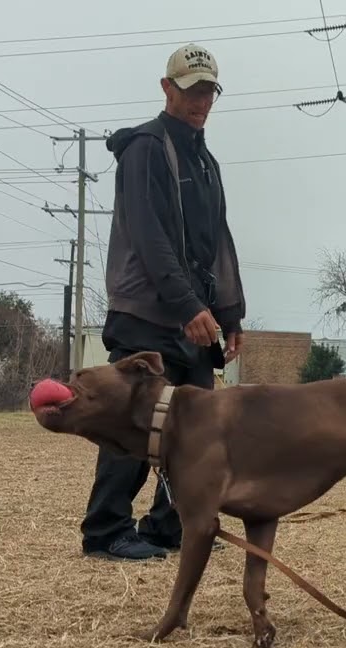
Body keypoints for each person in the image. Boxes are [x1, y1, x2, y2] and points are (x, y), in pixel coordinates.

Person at [80, 43, 246, 561]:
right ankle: (105, 531)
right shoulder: (146, 149)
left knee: (196, 423)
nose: (201, 100)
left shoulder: (206, 160)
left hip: (189, 314)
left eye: (208, 91)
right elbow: (151, 239)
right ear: (167, 88)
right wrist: (187, 308)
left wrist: (230, 313)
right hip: (146, 311)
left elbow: (217, 240)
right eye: (192, 89)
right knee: (136, 416)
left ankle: (167, 527)